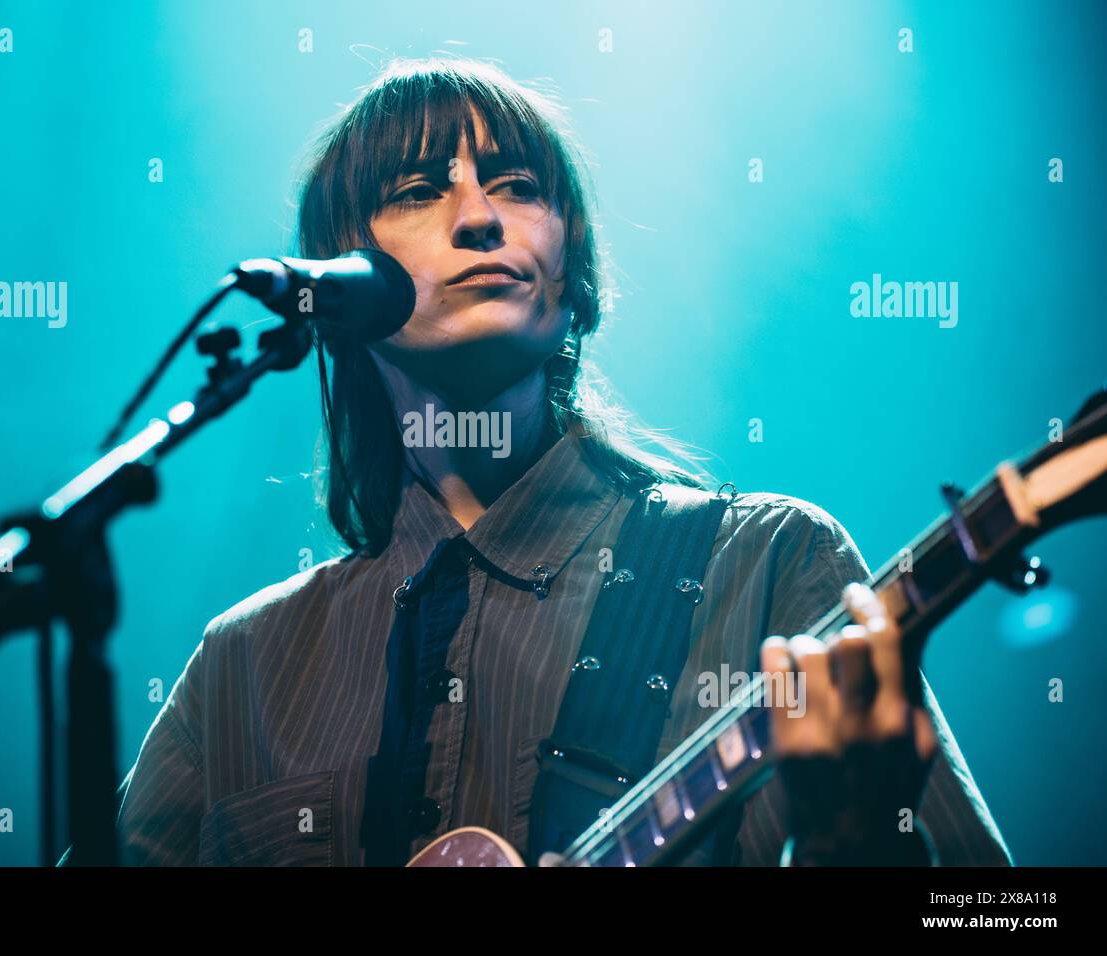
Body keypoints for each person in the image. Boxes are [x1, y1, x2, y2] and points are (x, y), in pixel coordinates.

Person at [105, 57, 1011, 866]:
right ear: (339, 297)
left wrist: (854, 839)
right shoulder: (245, 665)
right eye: (419, 189)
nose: (479, 217)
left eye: (516, 185)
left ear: (571, 274)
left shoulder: (764, 567)